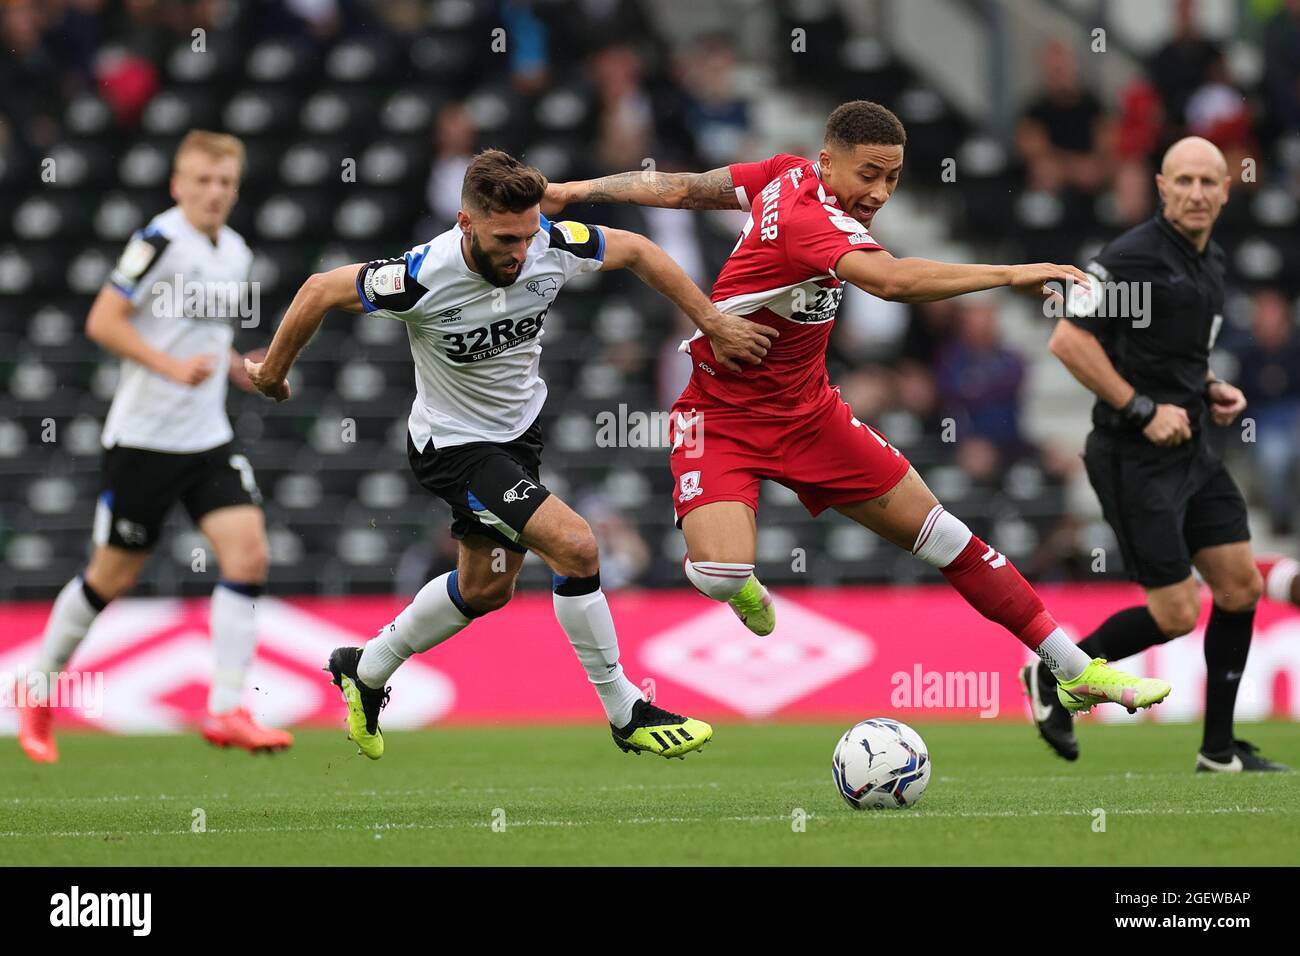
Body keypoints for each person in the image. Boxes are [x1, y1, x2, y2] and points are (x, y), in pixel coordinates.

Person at [545, 100, 1172, 722]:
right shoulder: (809, 219)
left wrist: (576, 188)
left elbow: (682, 188)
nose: (879, 191)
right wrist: (1012, 275)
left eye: (892, 177)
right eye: (868, 173)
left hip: (811, 416)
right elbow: (893, 281)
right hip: (721, 419)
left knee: (948, 537)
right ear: (828, 162)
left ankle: (1073, 670)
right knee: (717, 572)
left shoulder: (785, 174)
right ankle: (741, 587)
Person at [246, 149, 771, 761]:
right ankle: (627, 711)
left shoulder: (548, 241)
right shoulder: (422, 273)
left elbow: (639, 251)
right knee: (577, 547)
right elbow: (319, 289)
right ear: (466, 223)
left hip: (518, 439)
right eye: (504, 238)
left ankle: (363, 669)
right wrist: (274, 374)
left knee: (487, 587)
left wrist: (711, 320)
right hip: (454, 447)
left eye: (526, 236)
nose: (519, 252)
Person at [16, 130, 291, 762]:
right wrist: (168, 369)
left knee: (247, 553)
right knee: (110, 577)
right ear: (177, 184)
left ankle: (226, 708)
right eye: (201, 180)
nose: (213, 192)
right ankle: (37, 692)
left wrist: (243, 370)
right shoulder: (159, 241)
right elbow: (102, 321)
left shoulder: (237, 254)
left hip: (206, 439)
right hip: (144, 441)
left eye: (224, 182)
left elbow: (203, 338)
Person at [1043, 136, 1287, 772]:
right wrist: (1141, 409)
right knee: (1177, 614)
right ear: (1160, 186)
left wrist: (1209, 389)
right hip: (1133, 455)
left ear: (1227, 189)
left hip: (1194, 449)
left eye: (1209, 182)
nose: (1197, 193)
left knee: (1239, 586)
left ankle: (1219, 749)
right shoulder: (1129, 260)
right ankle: (1054, 677)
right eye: (1184, 181)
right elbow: (1068, 341)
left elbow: (1169, 357)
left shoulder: (1211, 262)